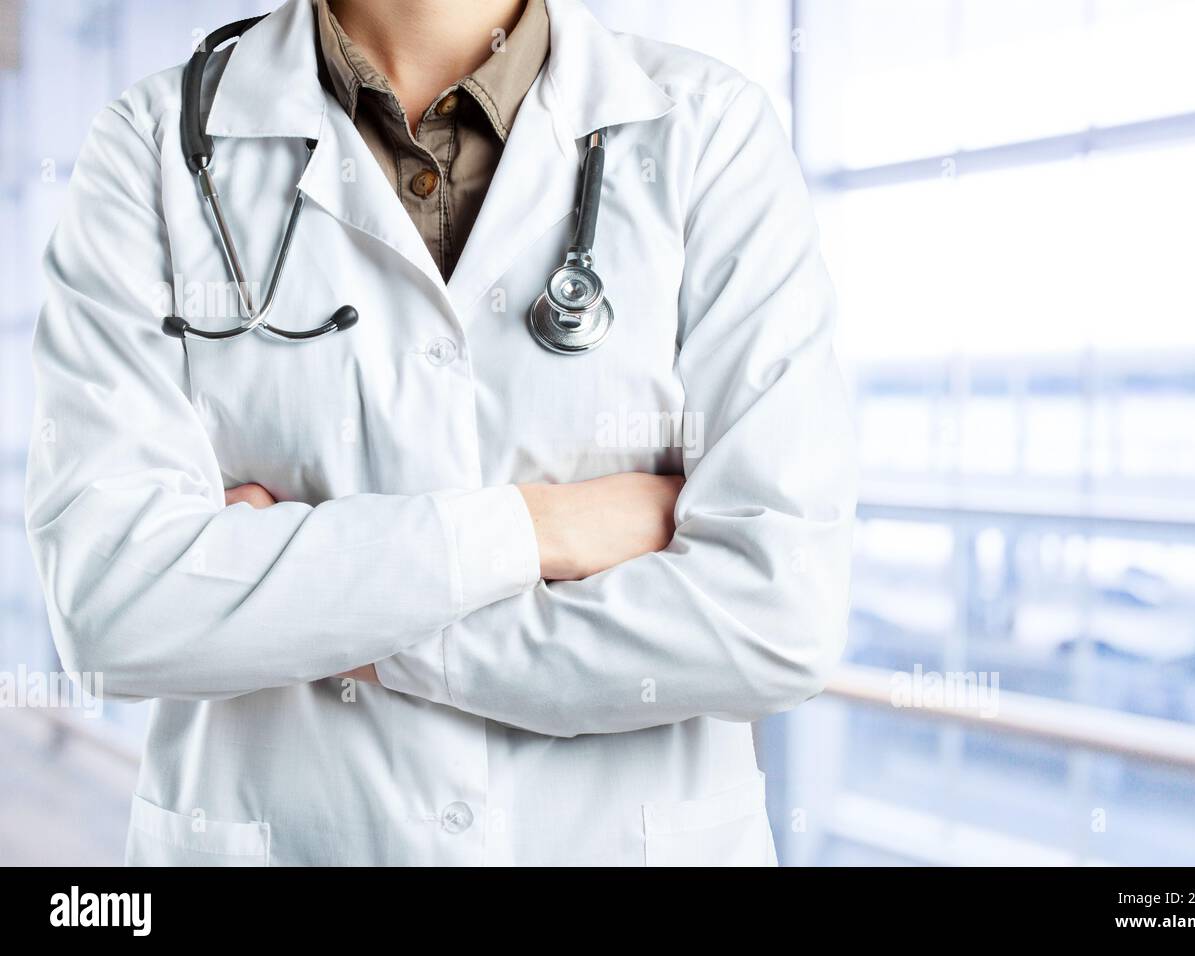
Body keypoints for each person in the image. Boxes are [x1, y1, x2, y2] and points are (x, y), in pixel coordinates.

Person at [26, 0, 855, 866]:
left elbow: (774, 617)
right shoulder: (153, 143)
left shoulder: (708, 131)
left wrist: (319, 620)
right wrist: (539, 529)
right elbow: (117, 605)